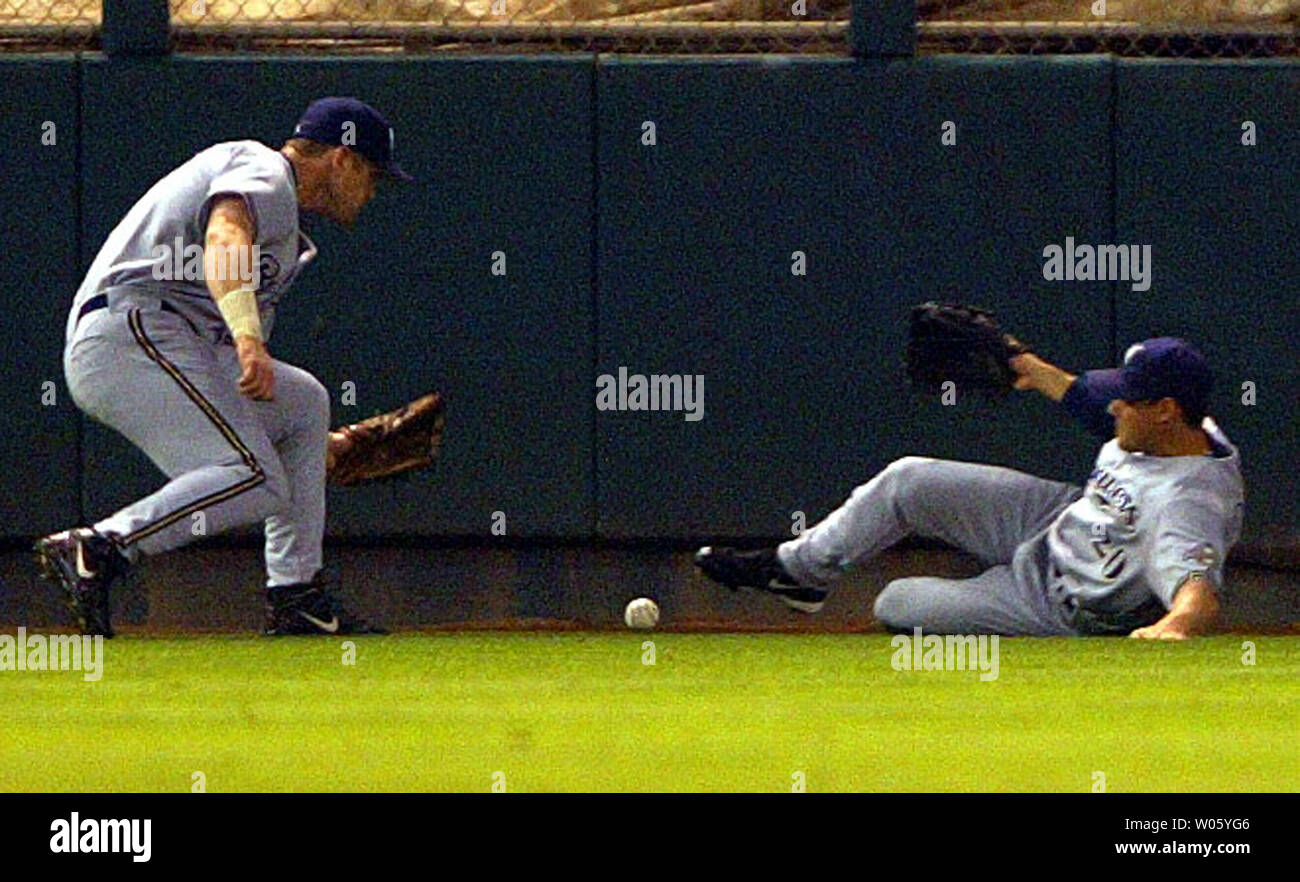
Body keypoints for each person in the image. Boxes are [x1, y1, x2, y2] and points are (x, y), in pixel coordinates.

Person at [35, 97, 413, 637]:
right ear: (343, 159)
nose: (373, 191)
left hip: (165, 340)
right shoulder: (265, 169)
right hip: (132, 331)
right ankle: (98, 547)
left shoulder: (282, 222)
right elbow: (223, 237)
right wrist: (248, 338)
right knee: (256, 477)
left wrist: (320, 452)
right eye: (373, 175)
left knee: (303, 406)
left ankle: (297, 596)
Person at [695, 338, 1244, 641]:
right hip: (1055, 519)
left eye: (1129, 397)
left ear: (1165, 411)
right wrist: (1022, 362)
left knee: (897, 603)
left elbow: (1196, 589)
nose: (1117, 403)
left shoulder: (1188, 502)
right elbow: (1088, 399)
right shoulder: (1179, 429)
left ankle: (988, 602)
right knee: (909, 479)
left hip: (1061, 602)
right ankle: (796, 572)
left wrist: (1175, 628)